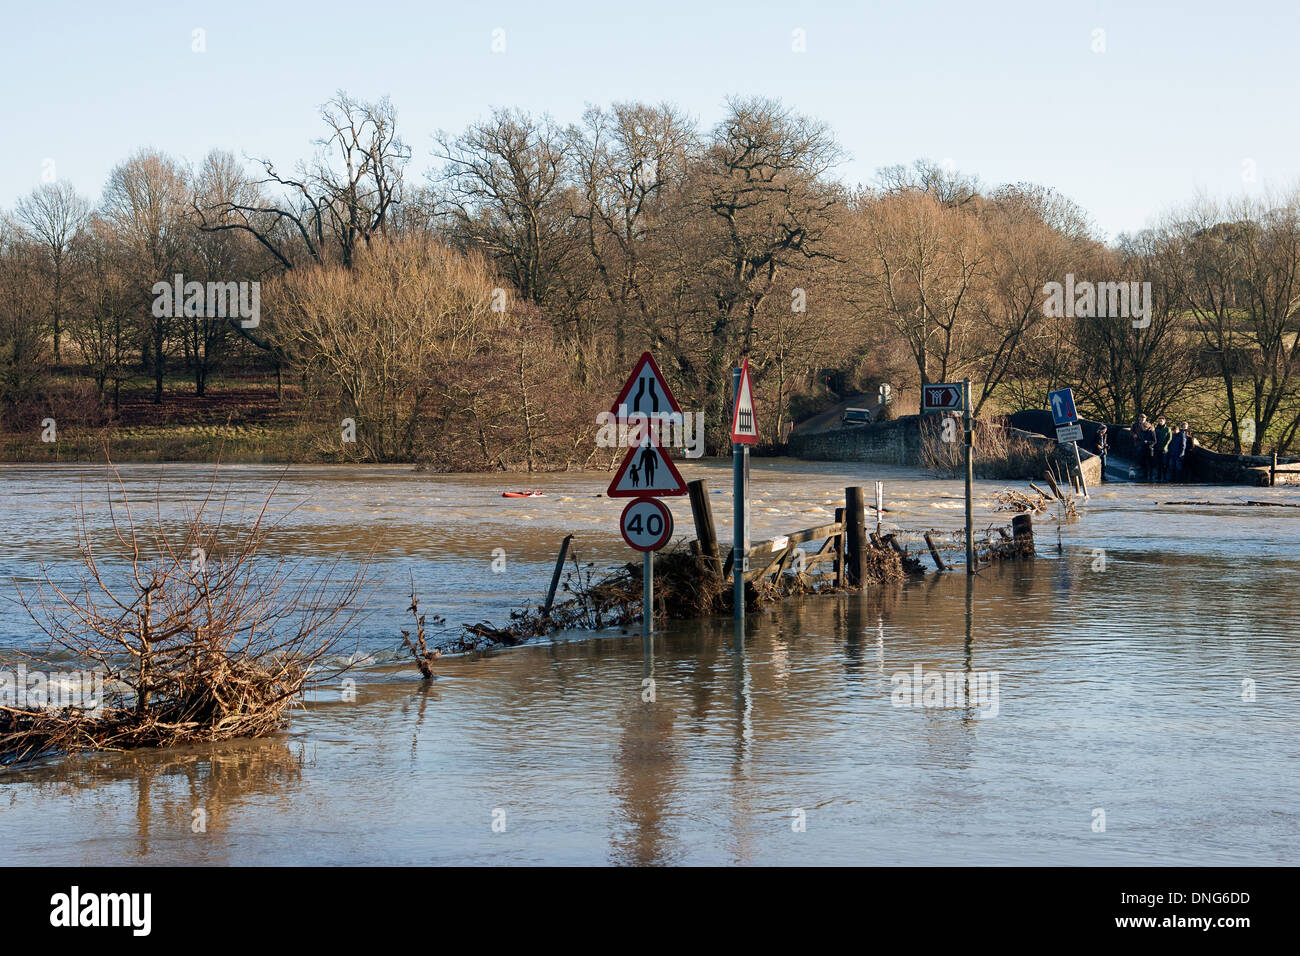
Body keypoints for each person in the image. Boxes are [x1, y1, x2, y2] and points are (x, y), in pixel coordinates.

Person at [1153, 416, 1172, 481]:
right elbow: (1154, 438)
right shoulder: (1156, 428)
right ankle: (1158, 476)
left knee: (1164, 463)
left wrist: (1165, 446)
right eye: (1159, 421)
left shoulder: (1167, 429)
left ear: (1164, 421)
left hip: (1164, 449)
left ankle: (1164, 476)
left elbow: (1169, 438)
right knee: (1158, 463)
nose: (1160, 422)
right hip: (1157, 448)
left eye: (1162, 421)